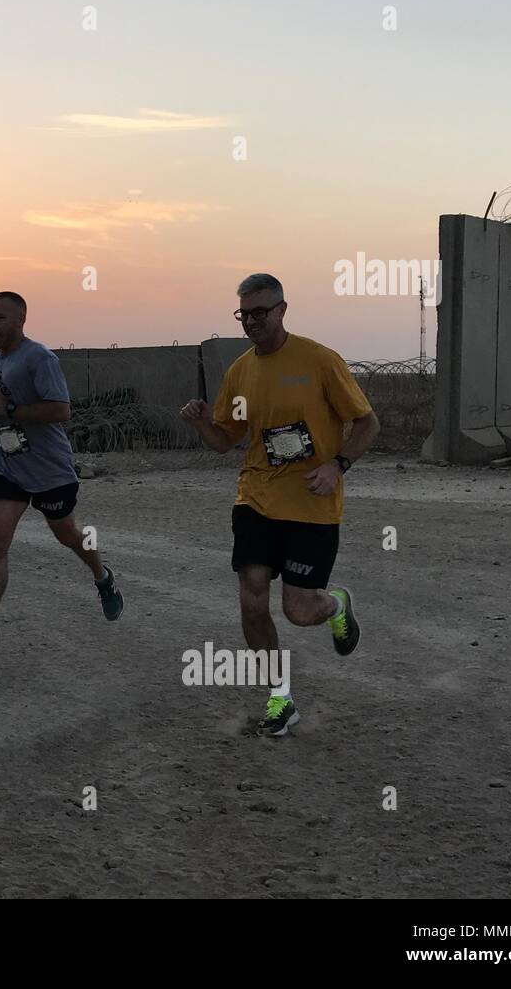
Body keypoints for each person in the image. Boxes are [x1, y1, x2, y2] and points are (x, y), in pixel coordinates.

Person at [180, 273, 380, 735]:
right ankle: (279, 697)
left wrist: (338, 465)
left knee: (297, 610)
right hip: (255, 498)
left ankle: (336, 606)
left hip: (312, 504)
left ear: (283, 310)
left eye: (260, 313)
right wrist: (201, 424)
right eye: (244, 314)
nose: (251, 321)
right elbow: (224, 442)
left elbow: (367, 423)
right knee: (251, 599)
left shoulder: (318, 361)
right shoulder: (240, 371)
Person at [0, 291, 123, 653]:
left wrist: (9, 407)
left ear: (20, 321)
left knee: (69, 536)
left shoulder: (40, 358)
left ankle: (103, 577)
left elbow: (61, 411)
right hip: (7, 466)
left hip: (49, 470)